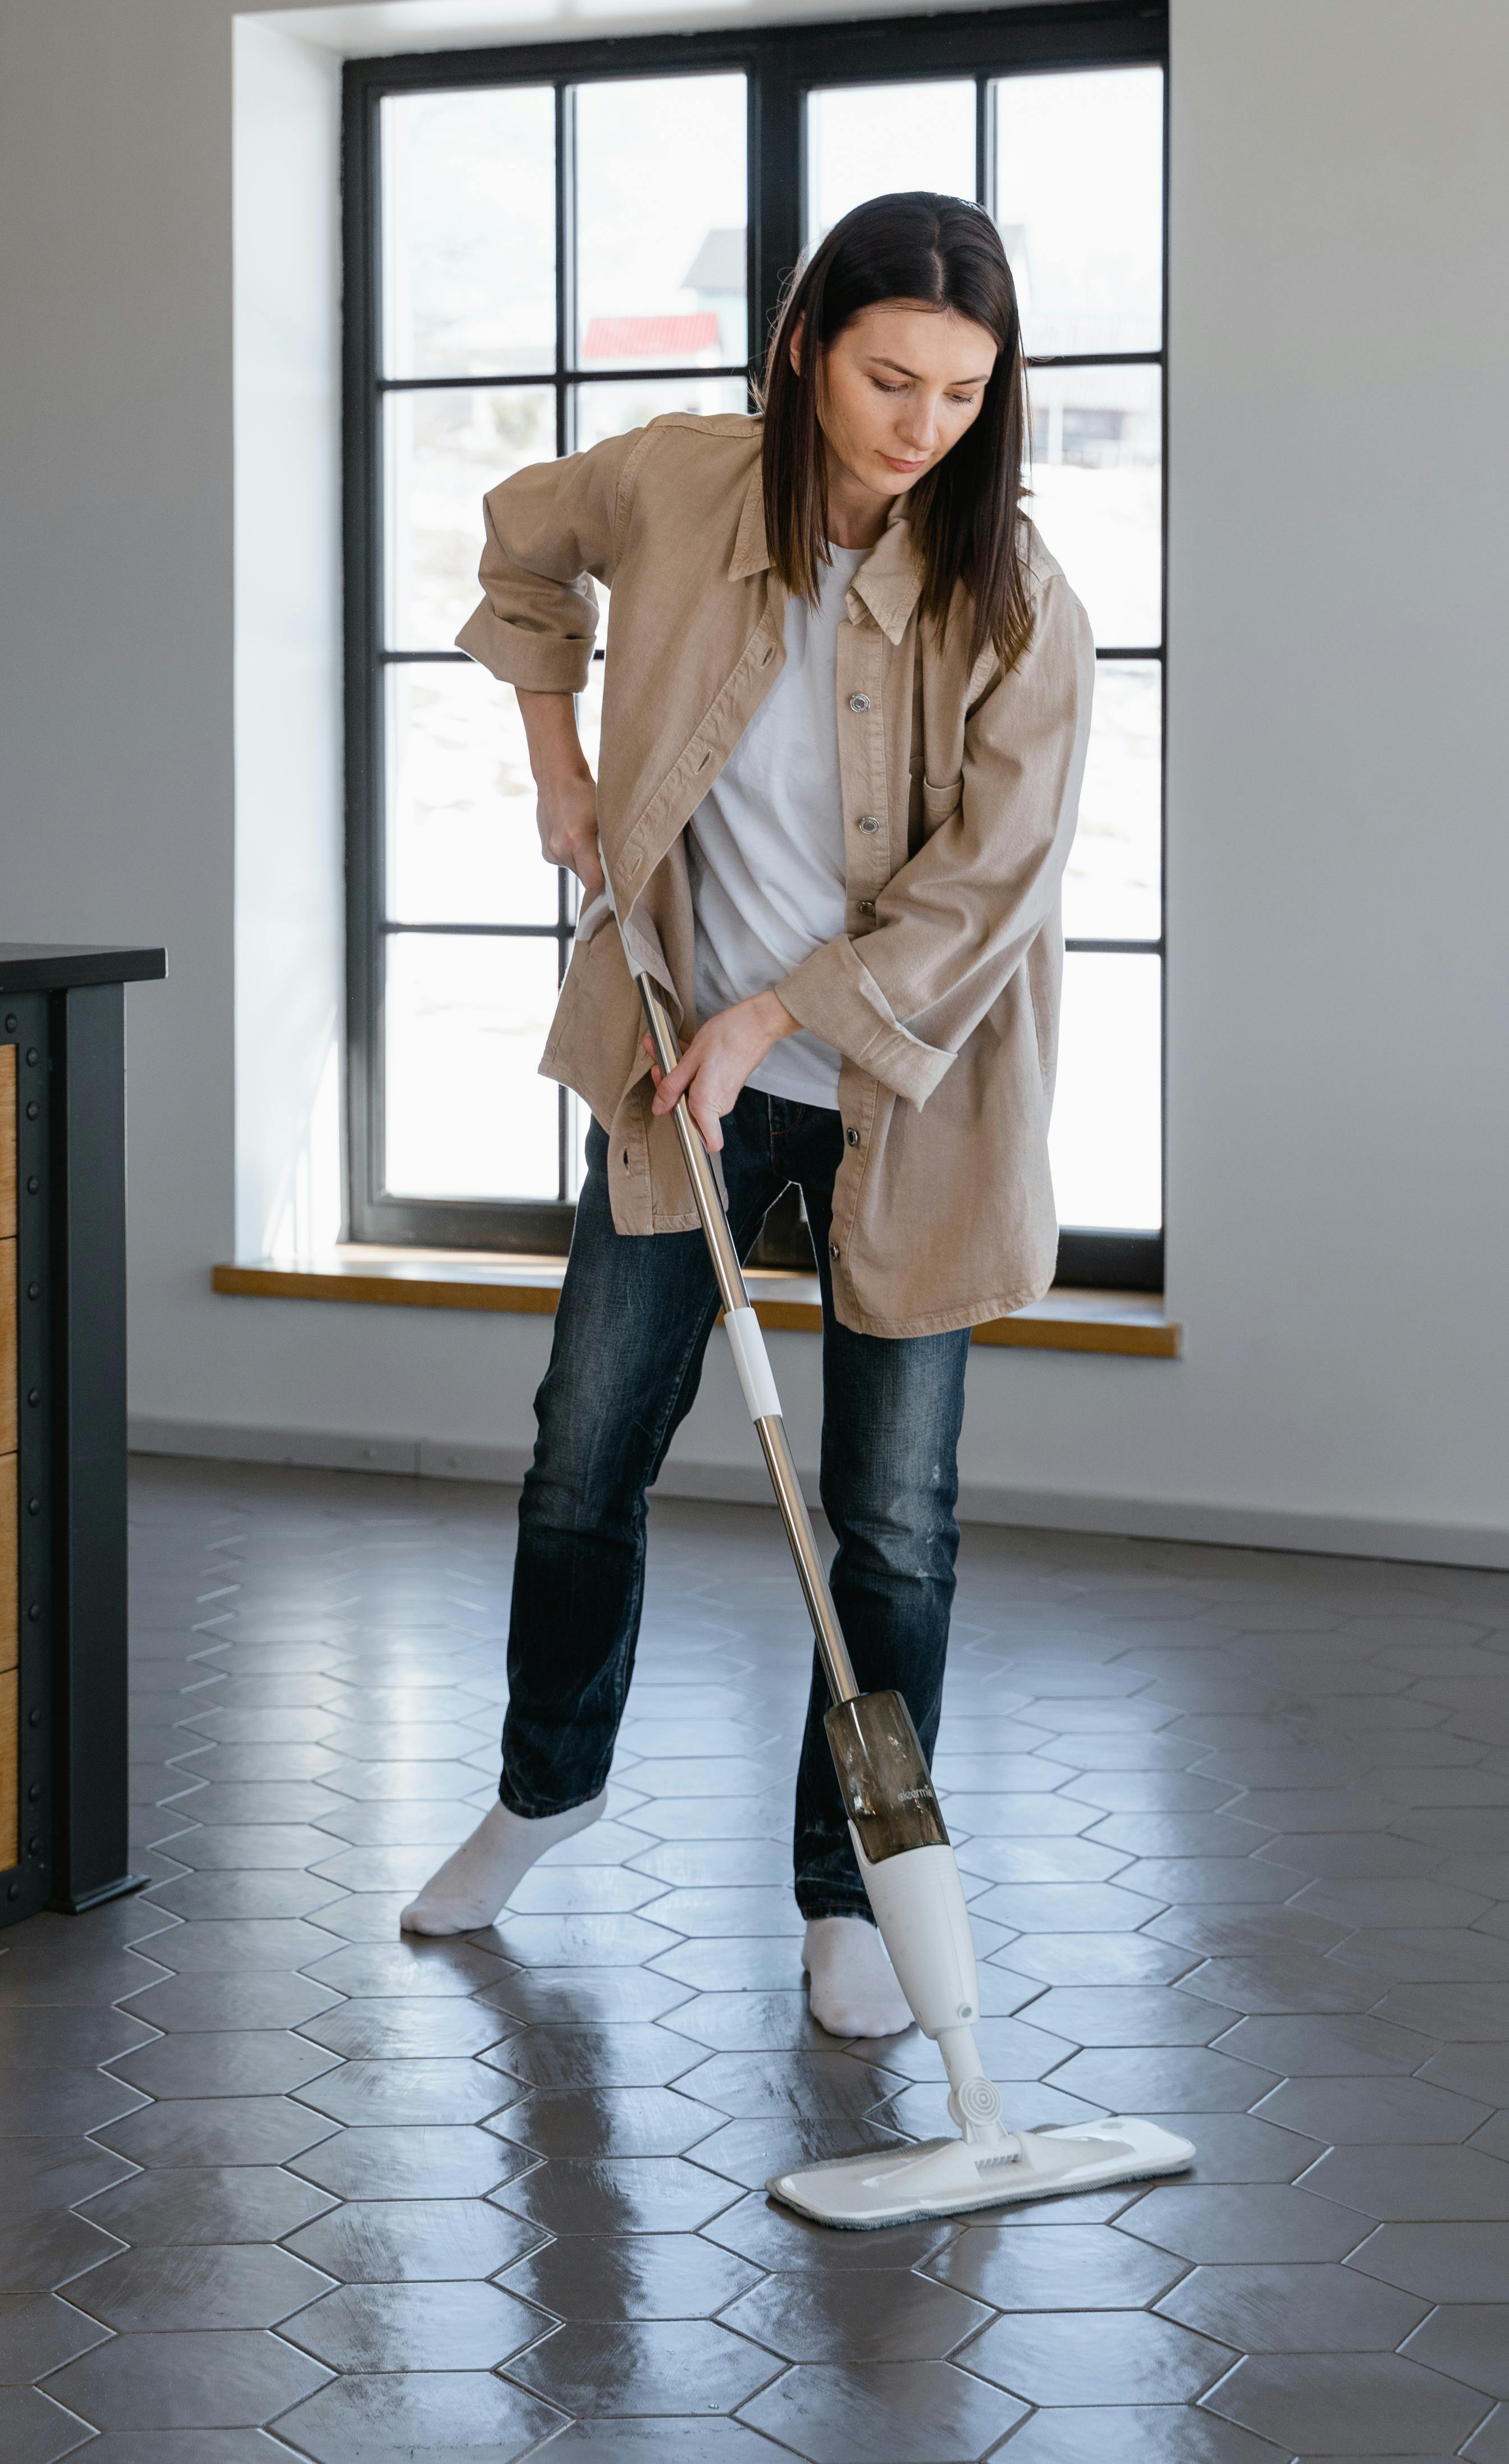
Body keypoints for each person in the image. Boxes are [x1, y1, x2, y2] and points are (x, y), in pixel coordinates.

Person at [401, 189, 1094, 2037]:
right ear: (803, 346)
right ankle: (540, 1792)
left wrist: (781, 1013)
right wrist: (555, 761)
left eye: (961, 392)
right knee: (581, 1453)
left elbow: (989, 886)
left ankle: (852, 1889)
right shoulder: (675, 480)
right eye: (888, 377)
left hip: (903, 1096)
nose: (919, 425)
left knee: (889, 1524)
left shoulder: (1016, 602)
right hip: (671, 1069)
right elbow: (514, 546)